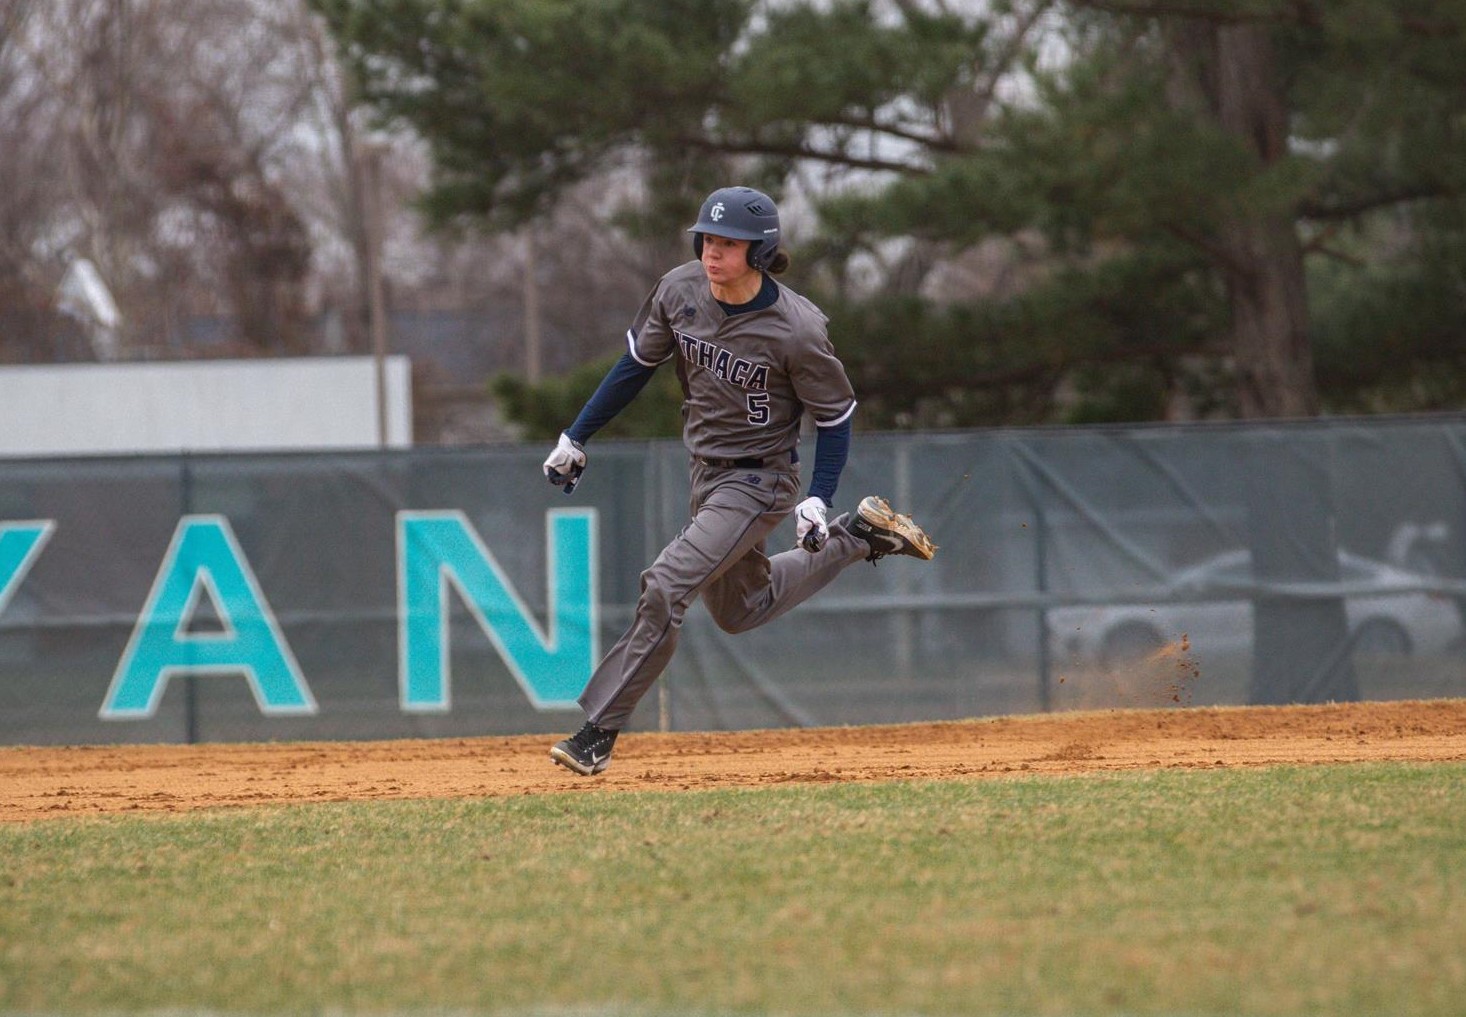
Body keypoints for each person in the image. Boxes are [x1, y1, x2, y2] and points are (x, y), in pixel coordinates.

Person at [542, 185, 937, 776]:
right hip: (706, 474)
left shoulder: (797, 329)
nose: (712, 252)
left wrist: (817, 496)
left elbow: (836, 418)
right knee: (742, 609)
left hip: (760, 481)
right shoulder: (679, 291)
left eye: (729, 243)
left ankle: (598, 732)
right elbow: (635, 366)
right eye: (707, 239)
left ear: (761, 251)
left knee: (665, 585)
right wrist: (577, 436)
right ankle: (856, 536)